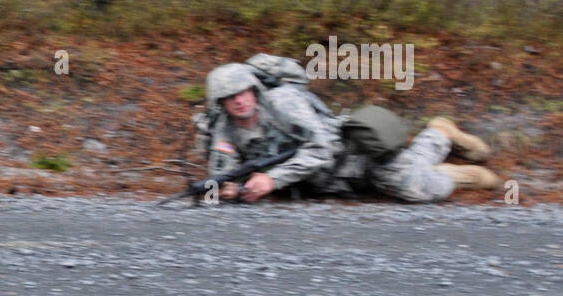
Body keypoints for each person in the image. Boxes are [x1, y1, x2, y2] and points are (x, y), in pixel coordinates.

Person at [202, 61, 498, 203]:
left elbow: (321, 149)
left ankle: (446, 143)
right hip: (330, 184)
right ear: (221, 103)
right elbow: (225, 167)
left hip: (359, 158)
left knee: (420, 191)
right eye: (230, 97)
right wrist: (232, 189)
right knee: (402, 176)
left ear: (254, 90)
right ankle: (437, 136)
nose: (239, 101)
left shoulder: (284, 103)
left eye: (243, 92)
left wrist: (272, 179)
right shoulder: (223, 127)